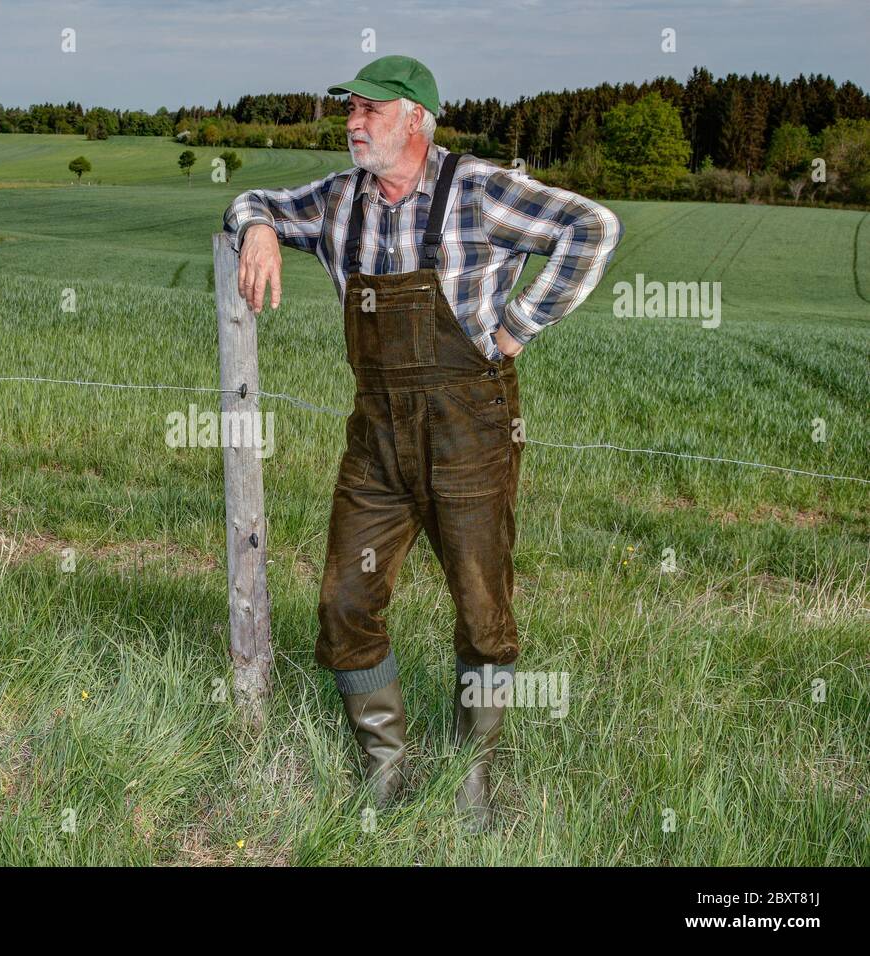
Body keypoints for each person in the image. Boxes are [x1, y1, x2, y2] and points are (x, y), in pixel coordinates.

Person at [222, 55, 623, 828]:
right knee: (345, 602)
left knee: (481, 612)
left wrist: (517, 325)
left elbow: (594, 227)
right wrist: (263, 229)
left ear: (416, 119)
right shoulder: (341, 200)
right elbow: (250, 198)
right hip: (377, 440)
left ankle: (473, 778)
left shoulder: (476, 190)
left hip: (468, 432)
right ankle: (387, 771)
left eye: (370, 109)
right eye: (349, 108)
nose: (352, 121)